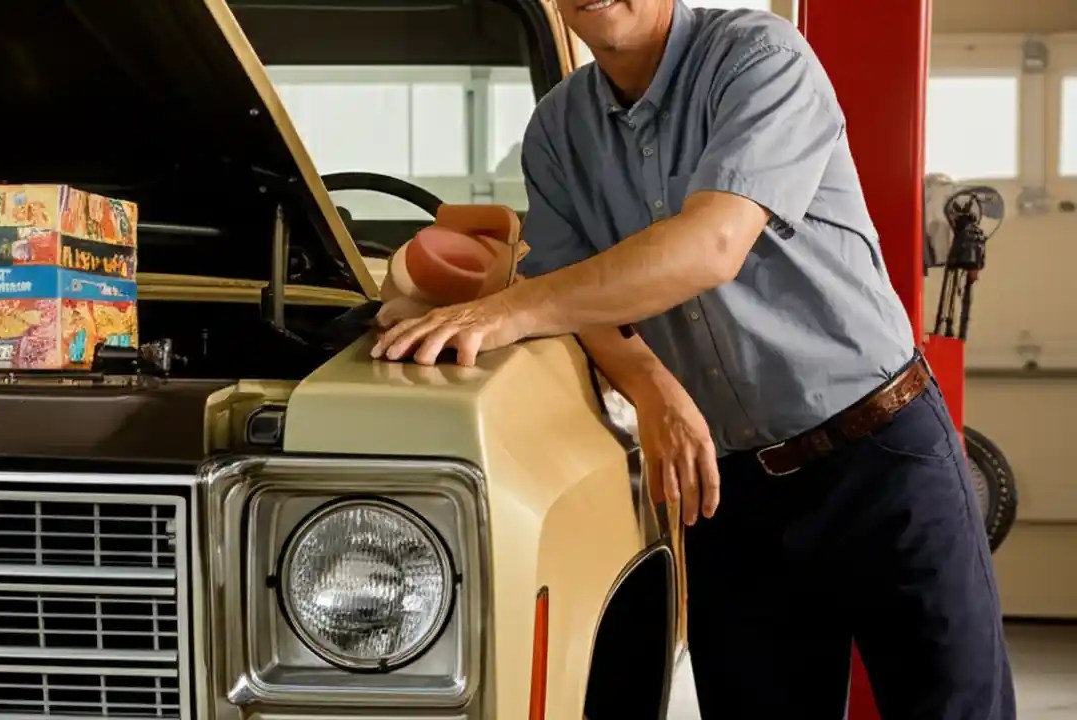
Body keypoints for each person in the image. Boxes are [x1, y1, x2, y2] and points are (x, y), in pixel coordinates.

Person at [371, 0, 1016, 717]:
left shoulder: (758, 58)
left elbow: (712, 245)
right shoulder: (557, 130)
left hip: (882, 455)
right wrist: (652, 389)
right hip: (733, 487)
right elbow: (590, 304)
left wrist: (508, 309)